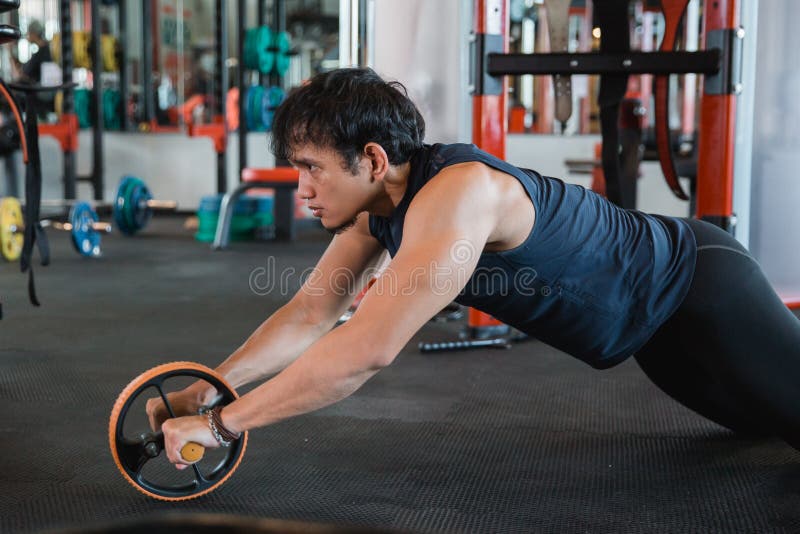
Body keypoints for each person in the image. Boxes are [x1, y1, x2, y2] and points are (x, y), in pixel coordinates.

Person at [149, 68, 800, 468]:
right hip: (650, 337)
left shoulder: (459, 193)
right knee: (759, 430)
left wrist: (218, 427)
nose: (303, 189)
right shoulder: (375, 211)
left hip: (701, 287)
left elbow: (366, 349)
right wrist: (209, 386)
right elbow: (311, 314)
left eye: (312, 168)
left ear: (372, 160)